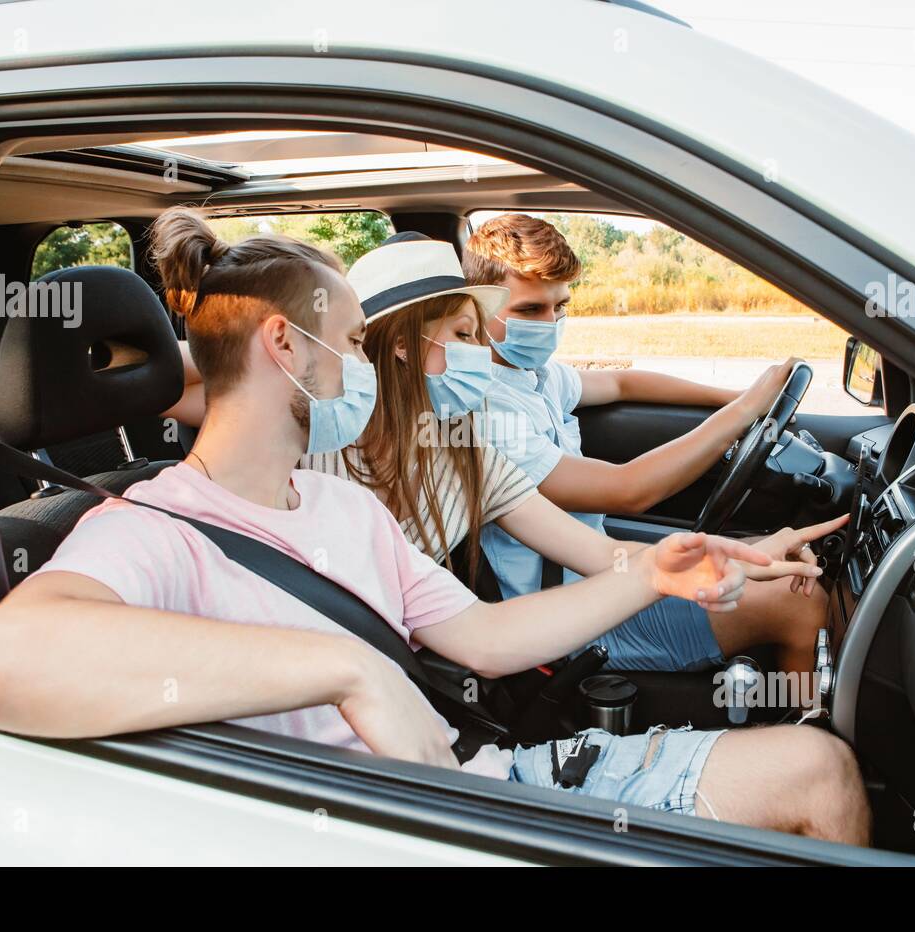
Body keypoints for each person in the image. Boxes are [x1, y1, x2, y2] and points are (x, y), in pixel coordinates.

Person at [0, 208, 869, 843]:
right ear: (285, 345)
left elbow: (478, 636)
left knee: (816, 769)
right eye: (353, 342)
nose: (369, 365)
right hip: (386, 828)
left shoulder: (342, 505)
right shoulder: (151, 526)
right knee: (816, 777)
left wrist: (651, 575)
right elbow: (0, 667)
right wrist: (347, 668)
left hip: (469, 782)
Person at [167, 232, 841, 677]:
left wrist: (729, 555)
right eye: (462, 333)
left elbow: (596, 554)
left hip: (440, 667)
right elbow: (200, 378)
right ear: (399, 345)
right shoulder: (311, 440)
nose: (478, 352)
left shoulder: (468, 453)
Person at [464, 214, 826, 675]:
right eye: (531, 310)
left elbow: (620, 382)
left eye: (561, 306)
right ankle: (803, 728)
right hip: (564, 621)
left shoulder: (534, 376)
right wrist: (742, 413)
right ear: (478, 307)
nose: (551, 323)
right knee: (802, 602)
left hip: (600, 575)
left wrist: (731, 397)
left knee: (785, 561)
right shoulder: (487, 409)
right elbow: (628, 489)